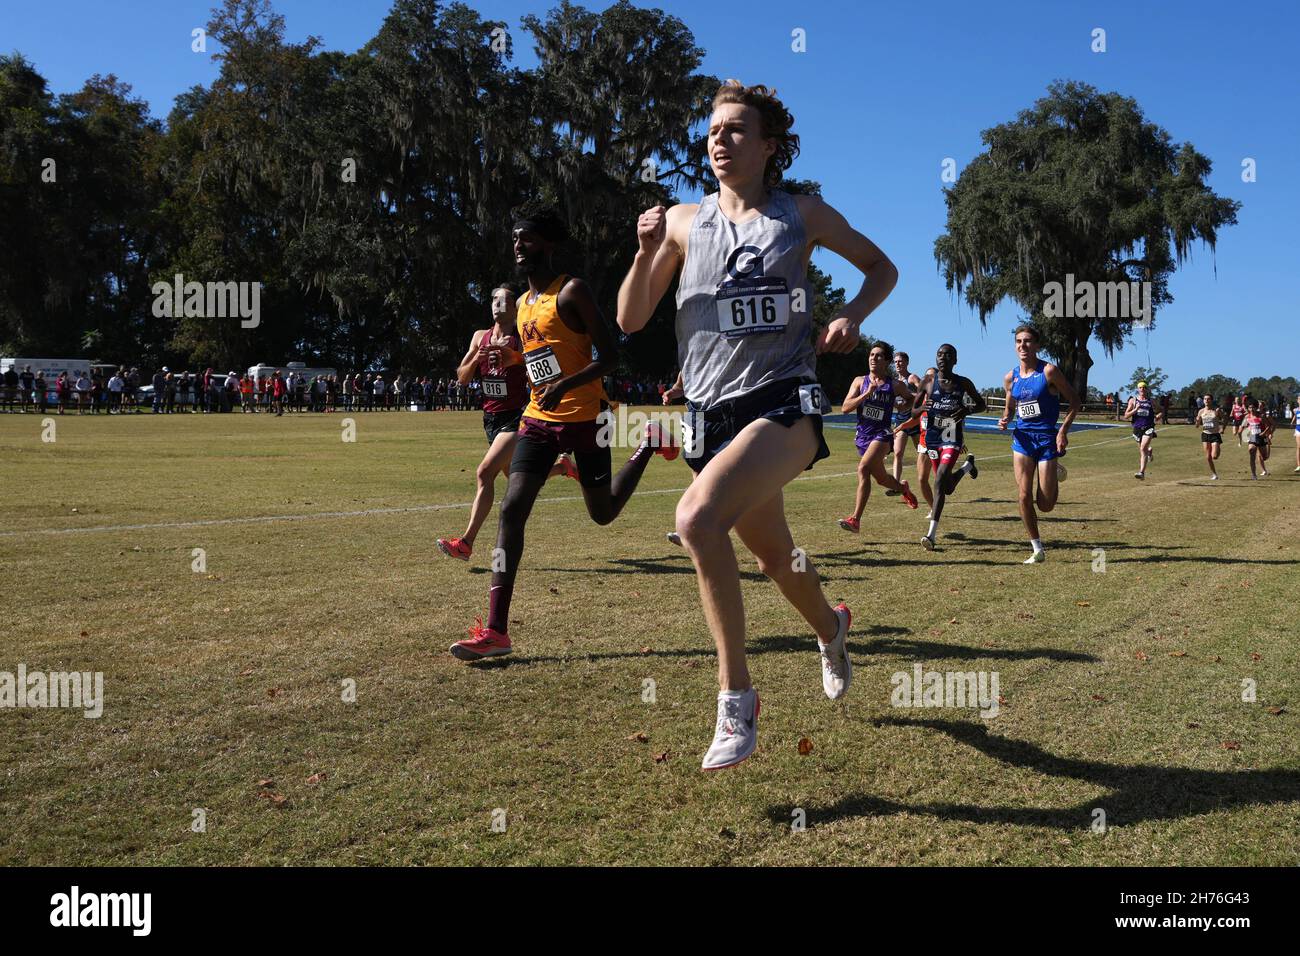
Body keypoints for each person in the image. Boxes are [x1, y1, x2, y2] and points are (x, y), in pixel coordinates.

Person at [616, 80, 898, 770]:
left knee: (695, 521)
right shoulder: (684, 221)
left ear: (770, 147)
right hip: (711, 417)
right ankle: (831, 629)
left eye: (737, 130)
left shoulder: (802, 214)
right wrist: (643, 249)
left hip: (786, 400)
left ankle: (736, 701)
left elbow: (880, 268)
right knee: (778, 560)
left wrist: (852, 317)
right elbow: (628, 319)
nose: (720, 140)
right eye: (713, 131)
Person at [449, 203, 677, 662]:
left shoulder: (571, 292)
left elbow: (611, 356)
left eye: (527, 238)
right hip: (537, 421)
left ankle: (649, 442)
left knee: (603, 512)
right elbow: (543, 357)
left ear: (548, 244)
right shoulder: (524, 305)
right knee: (511, 510)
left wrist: (565, 384)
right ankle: (495, 630)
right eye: (514, 237)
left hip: (587, 420)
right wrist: (525, 366)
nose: (518, 244)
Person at [436, 284, 579, 562]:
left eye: (503, 300)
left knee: (483, 473)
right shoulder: (480, 336)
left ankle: (466, 543)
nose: (496, 305)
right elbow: (462, 377)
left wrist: (517, 360)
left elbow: (547, 373)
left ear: (515, 307)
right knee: (517, 478)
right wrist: (476, 359)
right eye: (493, 300)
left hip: (516, 417)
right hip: (491, 419)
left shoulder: (524, 337)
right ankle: (563, 467)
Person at [997, 324, 1080, 563]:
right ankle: (1037, 548)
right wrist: (1006, 419)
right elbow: (1010, 407)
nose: (1023, 345)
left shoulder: (1049, 372)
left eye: (1027, 341)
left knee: (1045, 505)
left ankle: (1053, 476)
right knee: (1023, 496)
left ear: (1037, 345)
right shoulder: (1010, 377)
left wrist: (1062, 431)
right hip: (1022, 439)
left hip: (1046, 440)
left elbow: (1075, 401)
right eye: (1019, 341)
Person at [837, 341, 917, 533]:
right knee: (881, 479)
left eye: (879, 355)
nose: (874, 358)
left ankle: (855, 520)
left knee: (863, 469)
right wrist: (866, 393)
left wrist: (901, 406)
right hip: (863, 436)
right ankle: (903, 488)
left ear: (887, 361)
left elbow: (911, 399)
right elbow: (845, 408)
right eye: (872, 355)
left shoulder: (895, 385)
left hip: (883, 435)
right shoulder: (859, 381)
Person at [914, 345, 984, 550]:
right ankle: (967, 467)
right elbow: (913, 412)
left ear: (955, 360)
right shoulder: (927, 382)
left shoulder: (962, 382)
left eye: (948, 355)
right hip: (933, 438)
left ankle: (931, 535)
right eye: (939, 354)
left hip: (952, 437)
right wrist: (921, 408)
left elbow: (981, 405)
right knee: (947, 487)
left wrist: (966, 410)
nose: (943, 357)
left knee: (938, 480)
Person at [887, 350, 924, 494]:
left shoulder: (912, 378)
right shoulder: (894, 381)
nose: (898, 364)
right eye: (895, 362)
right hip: (901, 419)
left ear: (907, 363)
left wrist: (909, 396)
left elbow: (924, 392)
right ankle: (896, 485)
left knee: (921, 454)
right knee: (897, 453)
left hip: (915, 420)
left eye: (900, 361)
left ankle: (931, 479)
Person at [1124, 382, 1158, 479]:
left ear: (1147, 389)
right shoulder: (1133, 401)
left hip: (1148, 427)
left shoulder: (1151, 401)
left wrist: (1159, 415)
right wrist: (1135, 410)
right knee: (1143, 450)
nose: (1142, 389)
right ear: (1138, 389)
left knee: (1143, 448)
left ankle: (1141, 472)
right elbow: (1126, 416)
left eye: (1144, 387)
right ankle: (1149, 452)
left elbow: (1161, 410)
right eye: (1140, 388)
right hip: (1137, 428)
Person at [1195, 393, 1224, 480]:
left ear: (1211, 400)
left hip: (1215, 434)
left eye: (1208, 399)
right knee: (1208, 457)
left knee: (1214, 456)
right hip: (1205, 434)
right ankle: (1214, 474)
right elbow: (1197, 426)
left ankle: (1218, 447)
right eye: (1205, 399)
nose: (1206, 401)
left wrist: (1222, 427)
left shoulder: (1216, 410)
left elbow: (1223, 419)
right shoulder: (1201, 411)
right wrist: (1197, 421)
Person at [1243, 400, 1273, 479]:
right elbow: (1246, 426)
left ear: (1256, 408)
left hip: (1261, 437)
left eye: (1253, 407)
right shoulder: (1247, 416)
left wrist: (1264, 433)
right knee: (1252, 453)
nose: (1251, 409)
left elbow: (1269, 425)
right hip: (1252, 437)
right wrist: (1245, 432)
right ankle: (1254, 475)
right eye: (1250, 407)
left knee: (1264, 457)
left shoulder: (1261, 416)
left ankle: (1268, 446)